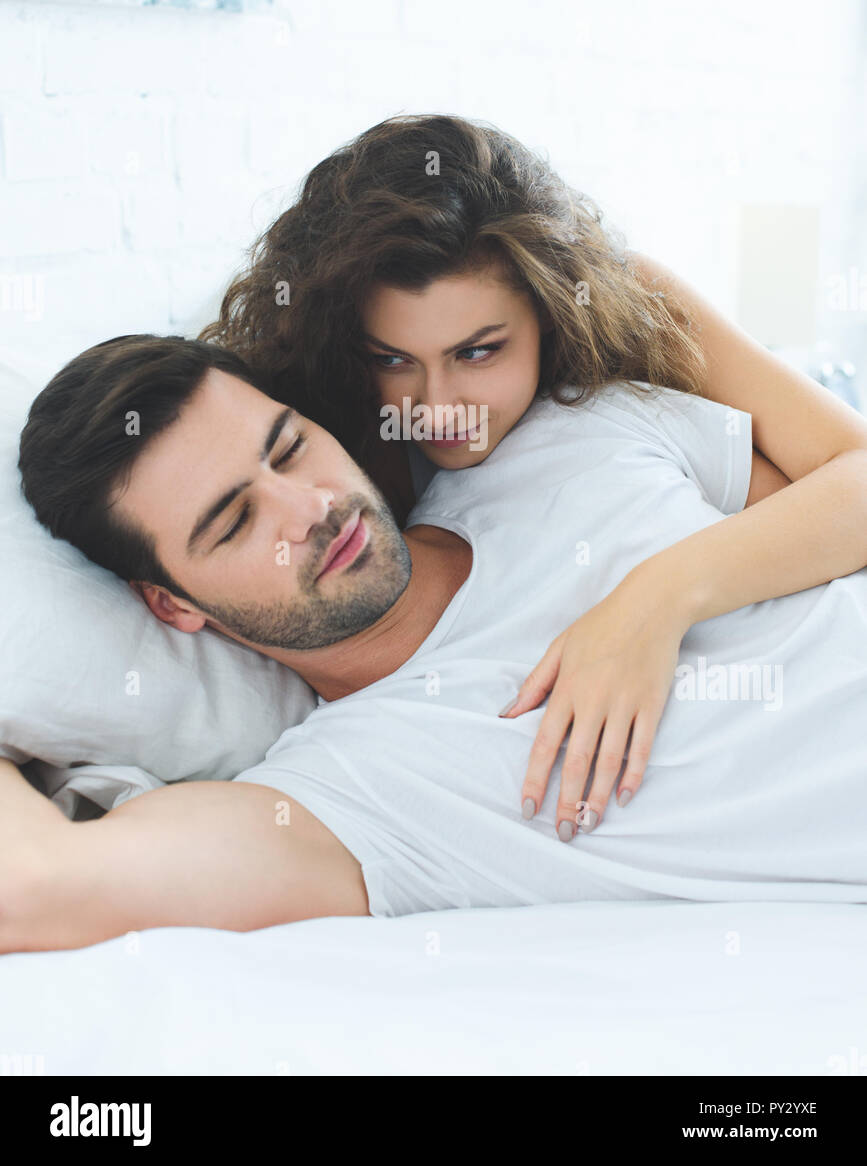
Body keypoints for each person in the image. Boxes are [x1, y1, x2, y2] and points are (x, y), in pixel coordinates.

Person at [4, 333, 867, 954]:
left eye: (290, 449)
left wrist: (660, 597)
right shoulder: (349, 796)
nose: (309, 510)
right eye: (235, 521)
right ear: (175, 606)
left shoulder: (563, 438)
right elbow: (33, 890)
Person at [199, 112, 867, 822]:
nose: (438, 406)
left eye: (479, 351)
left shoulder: (629, 324)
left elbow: (845, 476)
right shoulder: (324, 451)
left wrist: (653, 599)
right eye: (391, 358)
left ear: (548, 315)